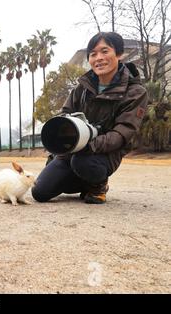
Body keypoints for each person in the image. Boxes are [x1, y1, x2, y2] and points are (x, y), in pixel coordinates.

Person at [32, 32, 148, 204]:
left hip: (105, 154)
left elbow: (122, 133)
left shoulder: (135, 92)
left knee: (82, 164)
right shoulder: (82, 88)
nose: (98, 58)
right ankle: (84, 181)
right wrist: (63, 143)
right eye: (93, 54)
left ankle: (98, 185)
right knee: (40, 192)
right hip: (74, 148)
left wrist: (90, 145)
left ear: (119, 54)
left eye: (104, 51)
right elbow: (63, 115)